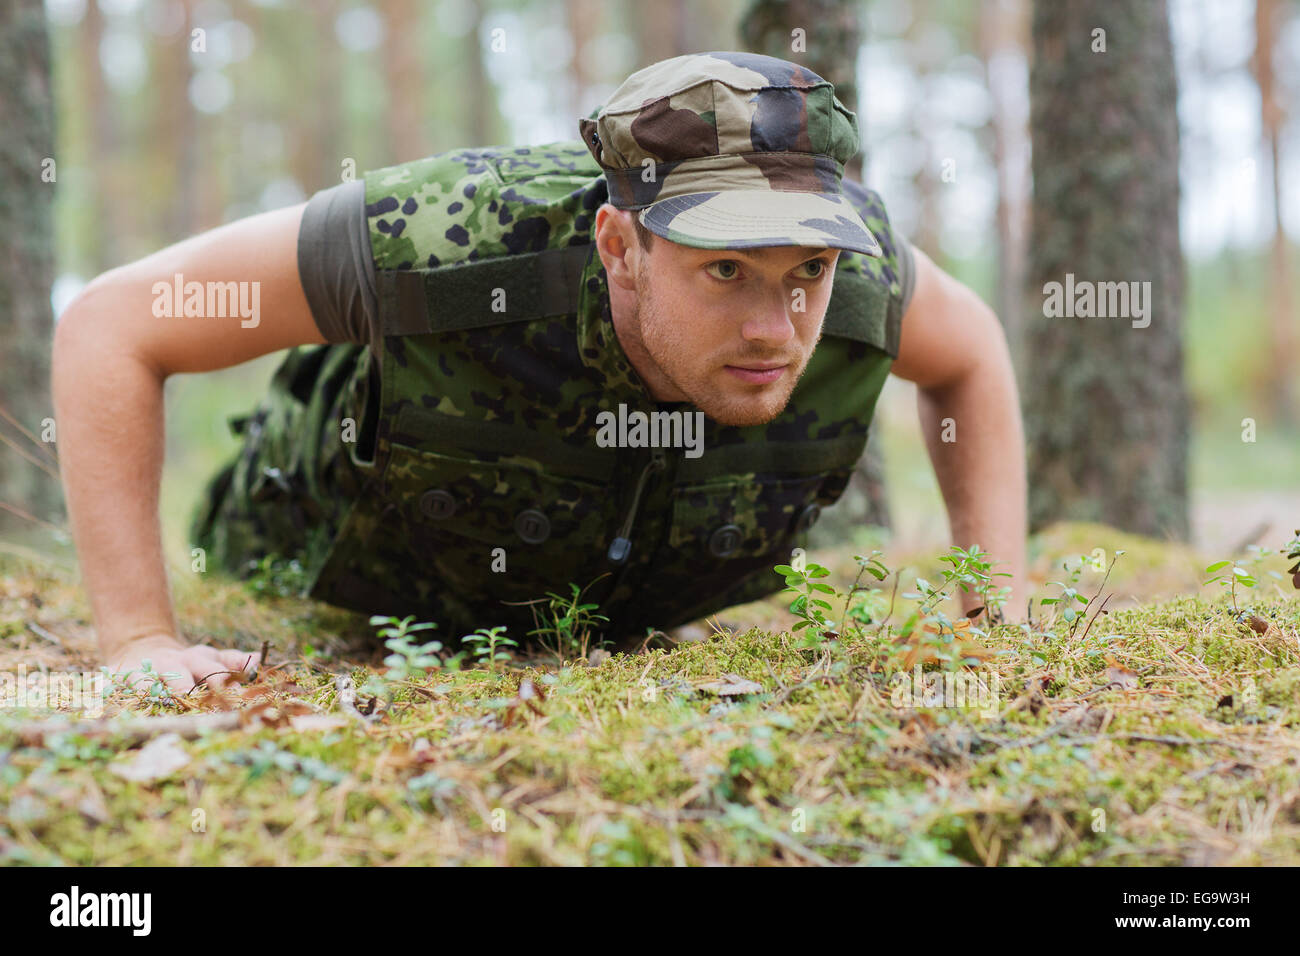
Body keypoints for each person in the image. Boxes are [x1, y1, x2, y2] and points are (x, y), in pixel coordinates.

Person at [52, 51, 1026, 692]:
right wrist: (139, 638)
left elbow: (973, 352)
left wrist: (995, 610)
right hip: (340, 552)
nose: (776, 326)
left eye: (804, 272)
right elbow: (112, 325)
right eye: (725, 269)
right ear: (620, 245)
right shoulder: (441, 241)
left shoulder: (863, 278)